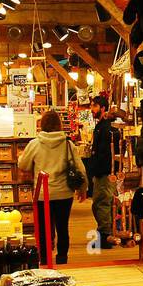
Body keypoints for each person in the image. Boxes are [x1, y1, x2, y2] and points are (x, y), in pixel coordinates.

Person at [18, 111, 86, 266]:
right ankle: (62, 258)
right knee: (63, 226)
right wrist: (83, 189)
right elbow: (80, 169)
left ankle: (45, 258)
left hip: (43, 194)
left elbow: (24, 165)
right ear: (59, 124)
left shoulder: (34, 144)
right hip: (64, 193)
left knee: (44, 228)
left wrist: (20, 158)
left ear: (42, 124)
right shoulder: (68, 144)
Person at [86, 94, 119, 249]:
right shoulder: (101, 127)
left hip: (105, 172)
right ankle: (105, 234)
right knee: (99, 203)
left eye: (94, 106)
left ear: (103, 108)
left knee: (102, 202)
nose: (92, 109)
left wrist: (96, 169)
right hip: (101, 171)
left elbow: (104, 153)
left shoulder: (106, 129)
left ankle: (105, 236)